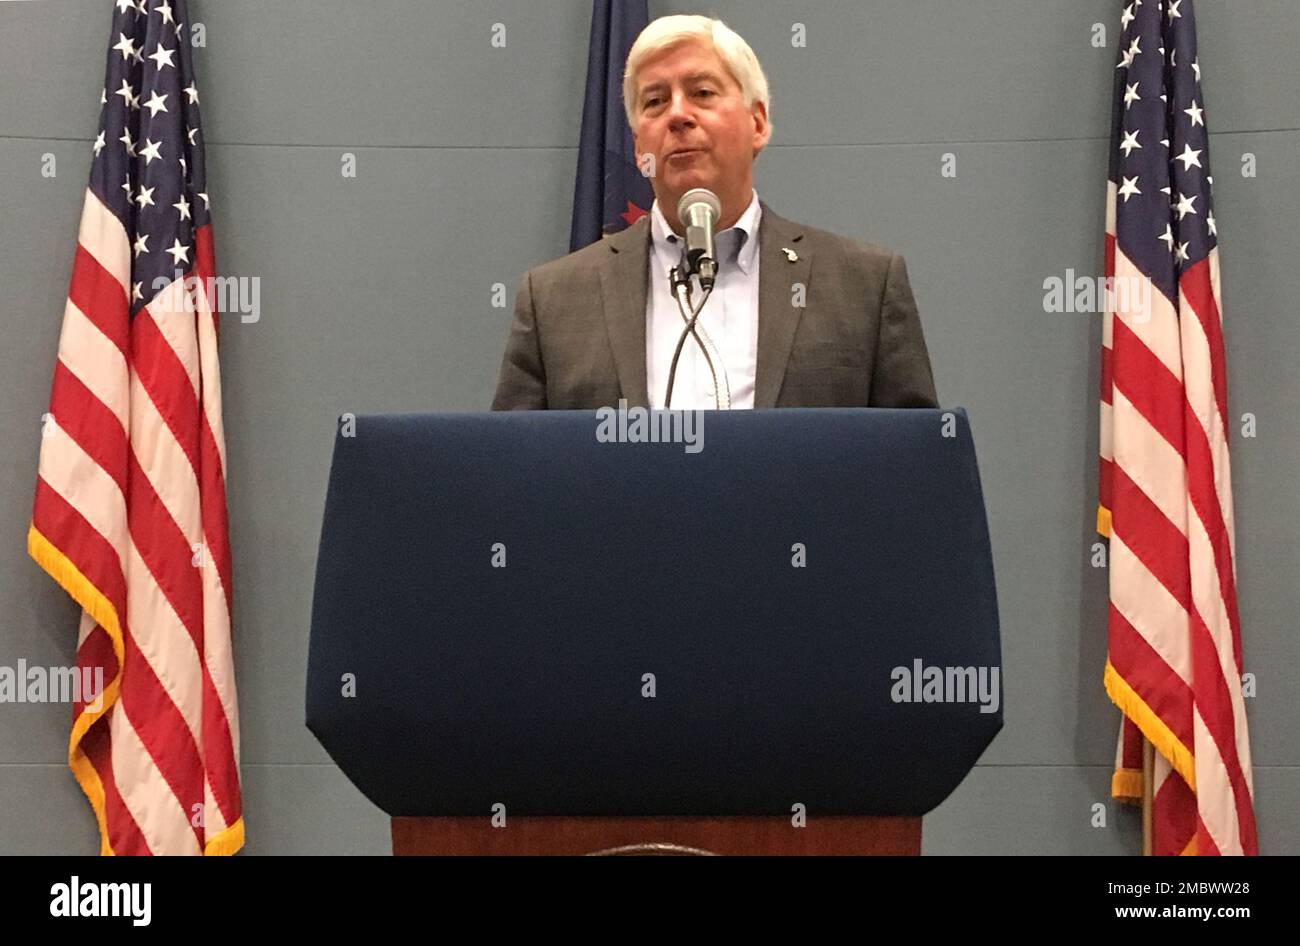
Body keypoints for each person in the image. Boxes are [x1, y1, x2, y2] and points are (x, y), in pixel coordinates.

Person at [491, 14, 938, 411]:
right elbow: (515, 476)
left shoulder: (864, 285)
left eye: (702, 93)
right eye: (655, 101)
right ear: (638, 145)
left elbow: (913, 474)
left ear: (758, 122)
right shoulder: (554, 299)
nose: (678, 115)